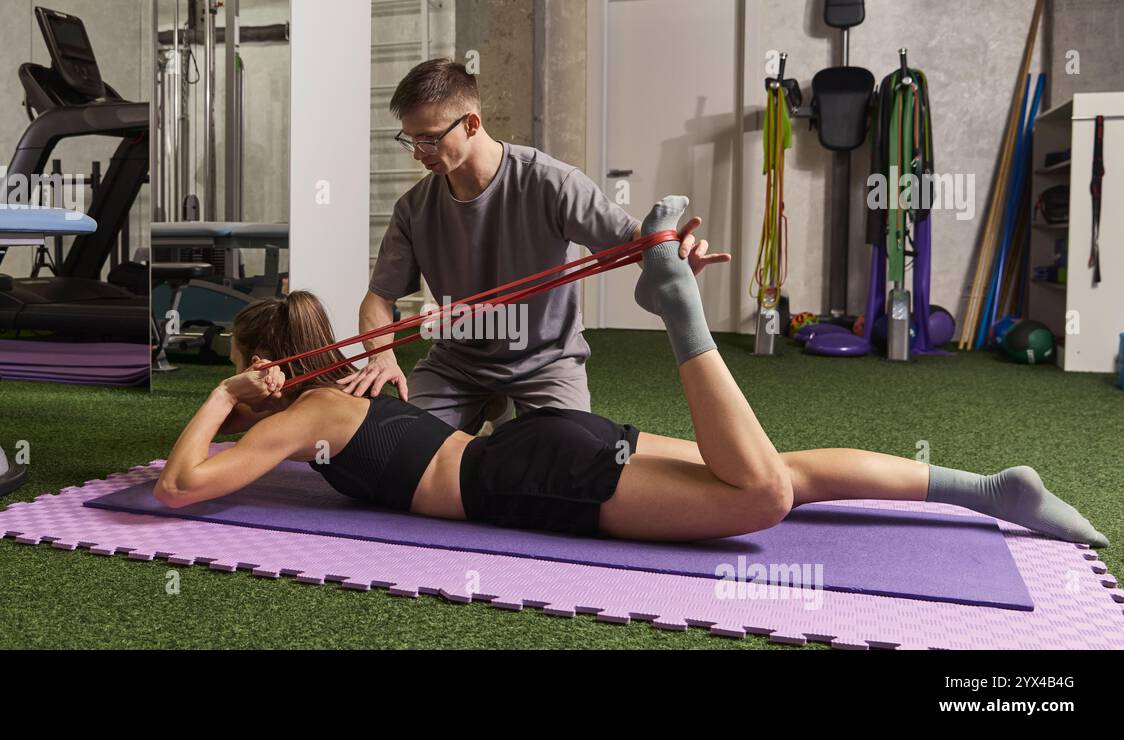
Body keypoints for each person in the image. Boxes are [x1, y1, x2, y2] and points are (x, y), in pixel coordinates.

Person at [155, 198, 1108, 548]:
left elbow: (179, 489)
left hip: (526, 481)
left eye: (243, 364)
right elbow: (379, 351)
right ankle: (988, 492)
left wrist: (220, 399)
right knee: (786, 472)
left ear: (270, 364)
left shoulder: (306, 417)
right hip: (541, 443)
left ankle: (682, 321)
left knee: (763, 497)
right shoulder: (370, 381)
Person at [341, 58, 729, 433]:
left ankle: (507, 410)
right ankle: (492, 403)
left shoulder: (553, 183)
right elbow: (378, 299)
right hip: (456, 364)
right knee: (394, 448)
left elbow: (632, 242)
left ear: (472, 124)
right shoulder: (413, 209)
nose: (417, 152)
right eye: (410, 139)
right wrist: (381, 354)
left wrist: (670, 261)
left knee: (564, 459)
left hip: (547, 362)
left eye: (429, 139)